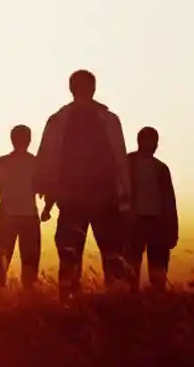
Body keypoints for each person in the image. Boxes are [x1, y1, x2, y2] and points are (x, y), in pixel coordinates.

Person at [35, 70, 130, 298]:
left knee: (71, 253)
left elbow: (47, 157)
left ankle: (69, 300)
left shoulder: (58, 120)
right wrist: (125, 197)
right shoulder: (107, 119)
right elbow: (120, 159)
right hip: (100, 197)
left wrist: (47, 192)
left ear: (70, 88)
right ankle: (115, 299)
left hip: (74, 198)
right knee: (111, 253)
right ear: (94, 88)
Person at [0, 125, 52, 291]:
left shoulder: (1, 163)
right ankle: (27, 300)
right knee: (29, 266)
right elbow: (48, 189)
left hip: (8, 218)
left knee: (0, 264)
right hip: (28, 218)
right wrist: (47, 209)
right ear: (29, 140)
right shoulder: (36, 163)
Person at [125, 127, 179, 292]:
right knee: (131, 266)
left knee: (158, 266)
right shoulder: (126, 164)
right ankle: (131, 300)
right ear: (140, 141)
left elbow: (169, 202)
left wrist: (172, 229)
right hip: (133, 222)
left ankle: (156, 299)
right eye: (151, 141)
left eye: (155, 142)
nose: (154, 145)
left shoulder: (161, 168)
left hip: (157, 223)